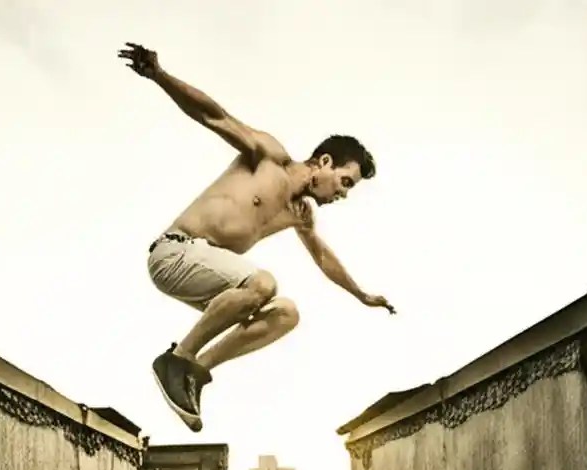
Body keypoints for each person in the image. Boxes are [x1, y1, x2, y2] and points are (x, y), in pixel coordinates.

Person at [119, 42, 395, 432]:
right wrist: (159, 75)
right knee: (263, 283)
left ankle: (195, 371)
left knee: (286, 313)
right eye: (345, 182)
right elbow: (214, 116)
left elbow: (323, 259)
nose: (343, 194)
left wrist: (362, 294)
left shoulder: (300, 214)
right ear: (325, 163)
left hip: (209, 278)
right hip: (173, 253)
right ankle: (176, 360)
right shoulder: (269, 157)